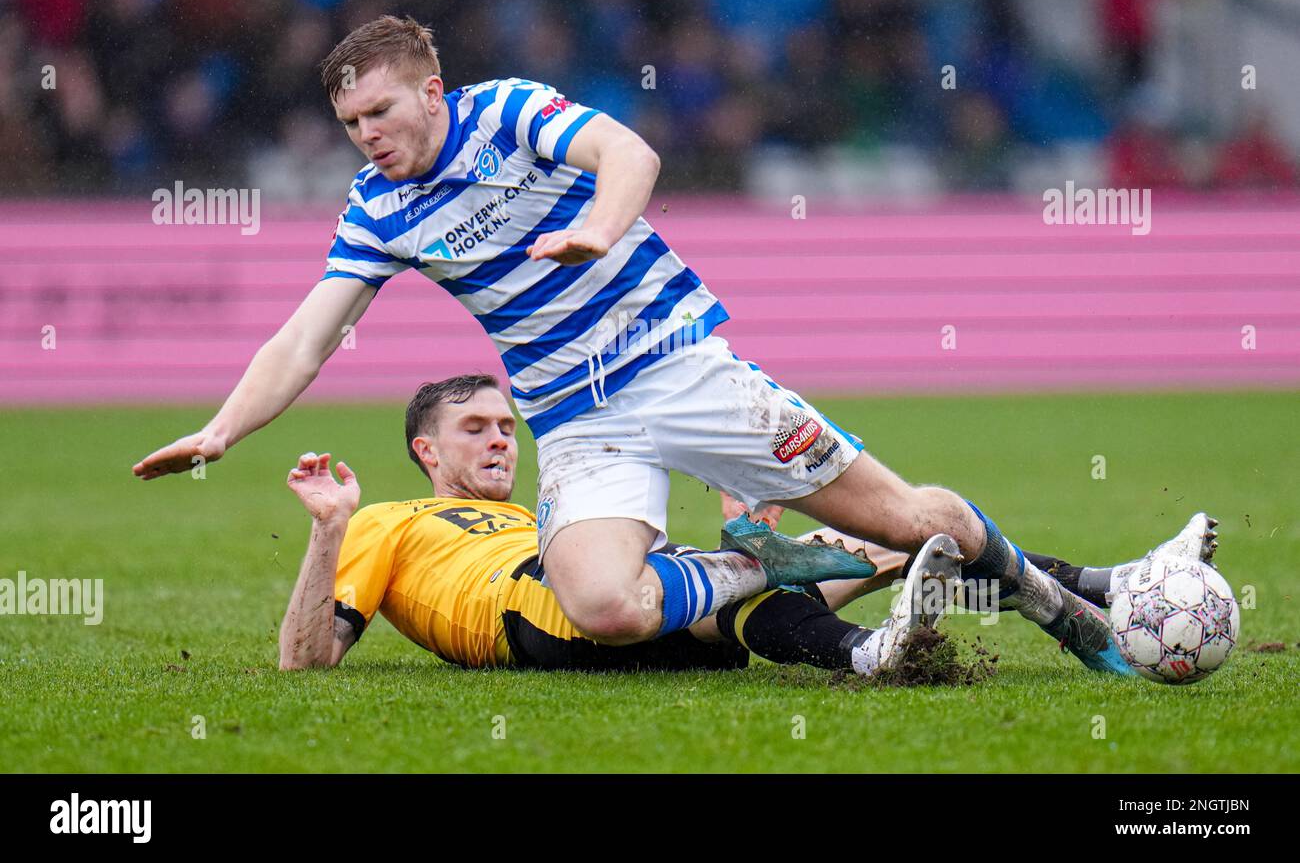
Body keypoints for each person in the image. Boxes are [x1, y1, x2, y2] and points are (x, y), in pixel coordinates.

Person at [137, 14, 1145, 674]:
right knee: (603, 603)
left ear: (433, 88)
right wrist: (224, 427)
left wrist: (598, 227)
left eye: (380, 111)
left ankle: (1062, 611)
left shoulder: (509, 113)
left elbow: (631, 150)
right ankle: (769, 562)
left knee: (910, 513)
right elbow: (309, 333)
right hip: (578, 421)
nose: (366, 134)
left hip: (682, 372)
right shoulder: (375, 208)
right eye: (350, 120)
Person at [278, 374, 1219, 677]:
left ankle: (1115, 585)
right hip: (535, 618)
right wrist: (329, 529)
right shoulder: (390, 521)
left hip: (627, 588)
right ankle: (864, 655)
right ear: (423, 452)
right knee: (737, 584)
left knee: (900, 539)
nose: (498, 442)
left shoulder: (544, 511)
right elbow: (306, 663)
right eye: (472, 430)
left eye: (505, 427)